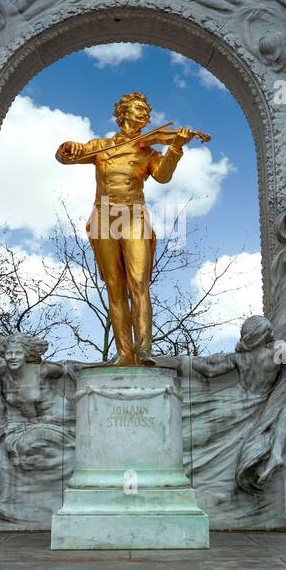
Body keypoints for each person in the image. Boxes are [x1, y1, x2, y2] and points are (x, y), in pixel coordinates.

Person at [56, 91, 194, 366]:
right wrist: (67, 147)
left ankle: (144, 350)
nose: (145, 114)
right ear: (124, 114)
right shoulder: (101, 146)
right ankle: (124, 354)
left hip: (134, 216)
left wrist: (176, 147)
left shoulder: (149, 152)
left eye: (146, 110)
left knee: (139, 284)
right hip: (104, 217)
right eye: (139, 109)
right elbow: (68, 156)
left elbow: (163, 176)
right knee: (114, 288)